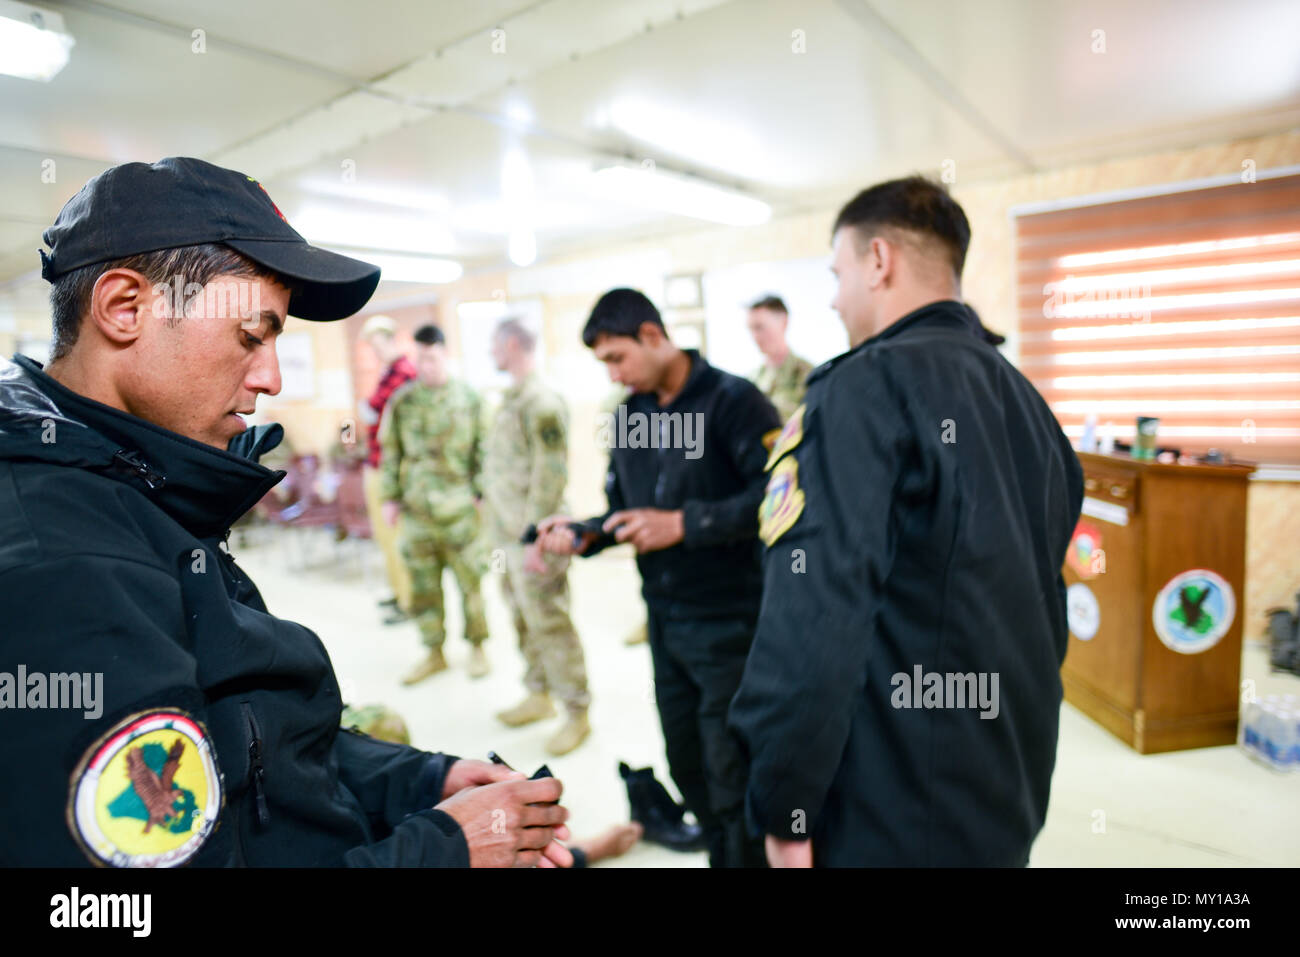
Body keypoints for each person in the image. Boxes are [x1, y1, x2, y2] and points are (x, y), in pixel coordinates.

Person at [0, 157, 572, 867]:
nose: (270, 376)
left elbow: (250, 742)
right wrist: (446, 847)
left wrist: (420, 781)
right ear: (126, 308)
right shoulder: (58, 571)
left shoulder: (132, 478)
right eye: (250, 335)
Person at [728, 176, 1084, 867]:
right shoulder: (1031, 407)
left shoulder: (862, 389)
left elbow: (817, 613)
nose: (833, 299)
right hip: (1007, 778)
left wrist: (784, 803)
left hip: (890, 798)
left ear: (879, 260)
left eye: (837, 273)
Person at [535, 288, 782, 868]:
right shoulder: (632, 416)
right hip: (667, 626)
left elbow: (779, 502)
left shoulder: (735, 403)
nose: (615, 376)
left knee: (733, 773)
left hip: (734, 624)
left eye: (618, 358)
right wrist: (585, 533)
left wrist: (686, 524)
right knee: (688, 763)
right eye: (605, 366)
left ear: (652, 335)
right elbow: (626, 510)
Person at [482, 318, 592, 755]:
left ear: (511, 344)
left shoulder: (542, 402)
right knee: (523, 619)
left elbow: (550, 476)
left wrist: (533, 539)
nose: (490, 351)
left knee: (550, 622)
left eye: (493, 342)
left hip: (535, 537)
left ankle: (577, 710)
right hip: (507, 535)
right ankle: (539, 693)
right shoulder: (510, 398)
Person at [380, 324, 491, 684]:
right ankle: (434, 652)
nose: (426, 365)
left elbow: (485, 451)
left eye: (432, 357)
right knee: (423, 587)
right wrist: (389, 497)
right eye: (421, 358)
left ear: (445, 354)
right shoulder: (403, 401)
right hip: (417, 512)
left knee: (470, 584)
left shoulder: (470, 399)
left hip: (460, 512)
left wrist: (482, 492)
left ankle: (477, 647)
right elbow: (390, 451)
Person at [357, 314, 417, 624]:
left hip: (392, 468)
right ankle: (399, 592)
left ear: (391, 339)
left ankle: (410, 601)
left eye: (378, 343)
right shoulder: (388, 372)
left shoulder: (404, 373)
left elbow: (373, 410)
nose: (375, 350)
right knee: (385, 537)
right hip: (377, 462)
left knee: (397, 538)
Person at [746, 294, 814, 423]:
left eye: (760, 327)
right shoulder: (751, 380)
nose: (755, 336)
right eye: (751, 329)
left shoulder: (808, 375)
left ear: (783, 322)